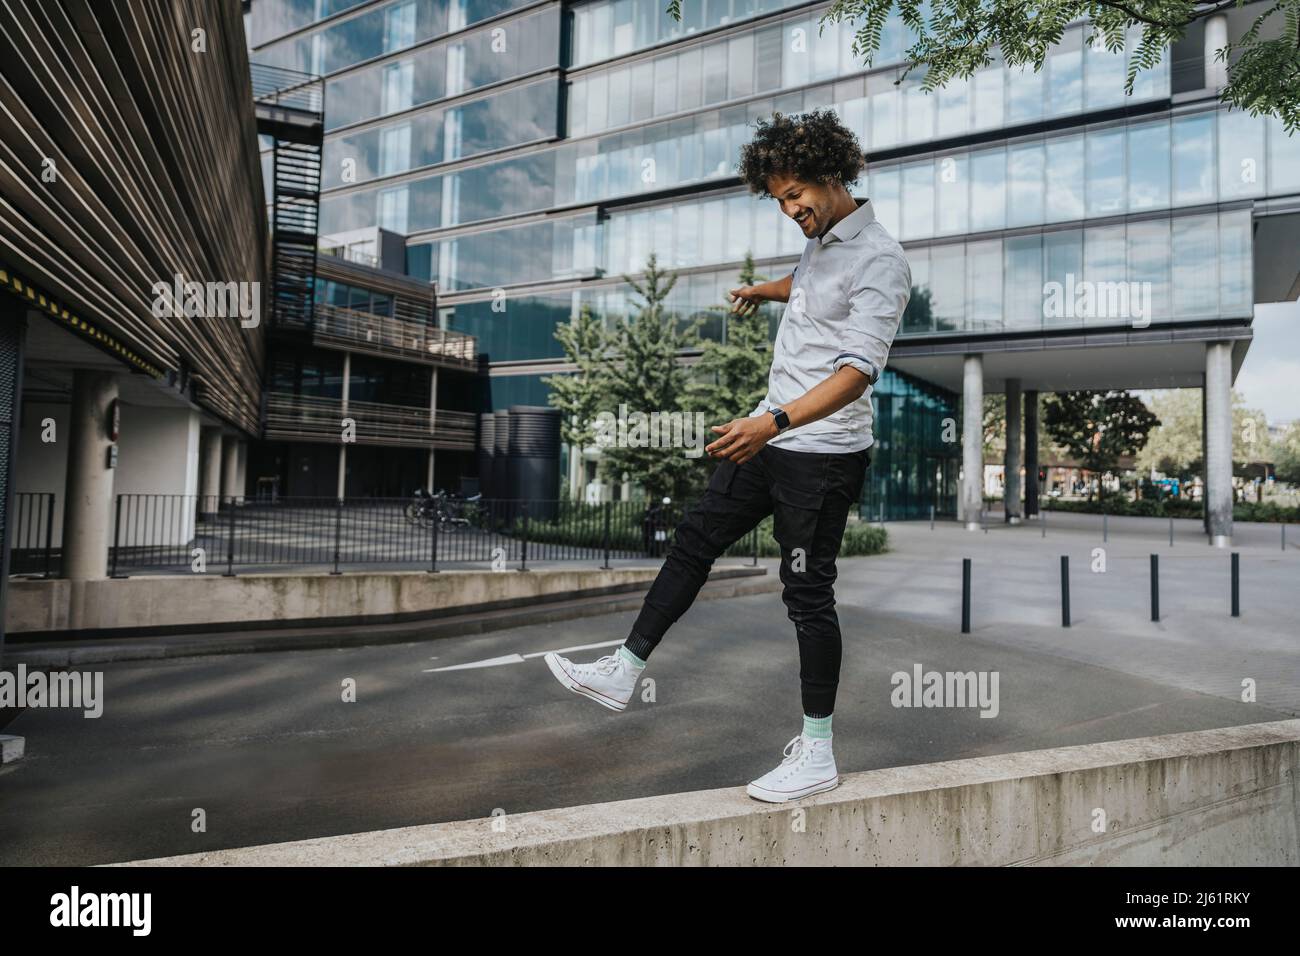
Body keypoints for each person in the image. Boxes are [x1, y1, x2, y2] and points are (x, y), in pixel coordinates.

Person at [544, 109, 911, 803]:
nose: (789, 209)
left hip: (821, 454)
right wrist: (762, 291)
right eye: (778, 201)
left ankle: (819, 752)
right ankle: (623, 669)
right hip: (771, 441)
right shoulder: (822, 241)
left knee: (806, 592)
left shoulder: (881, 259)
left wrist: (771, 422)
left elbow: (858, 370)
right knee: (695, 538)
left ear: (832, 175)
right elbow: (808, 287)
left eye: (795, 194)